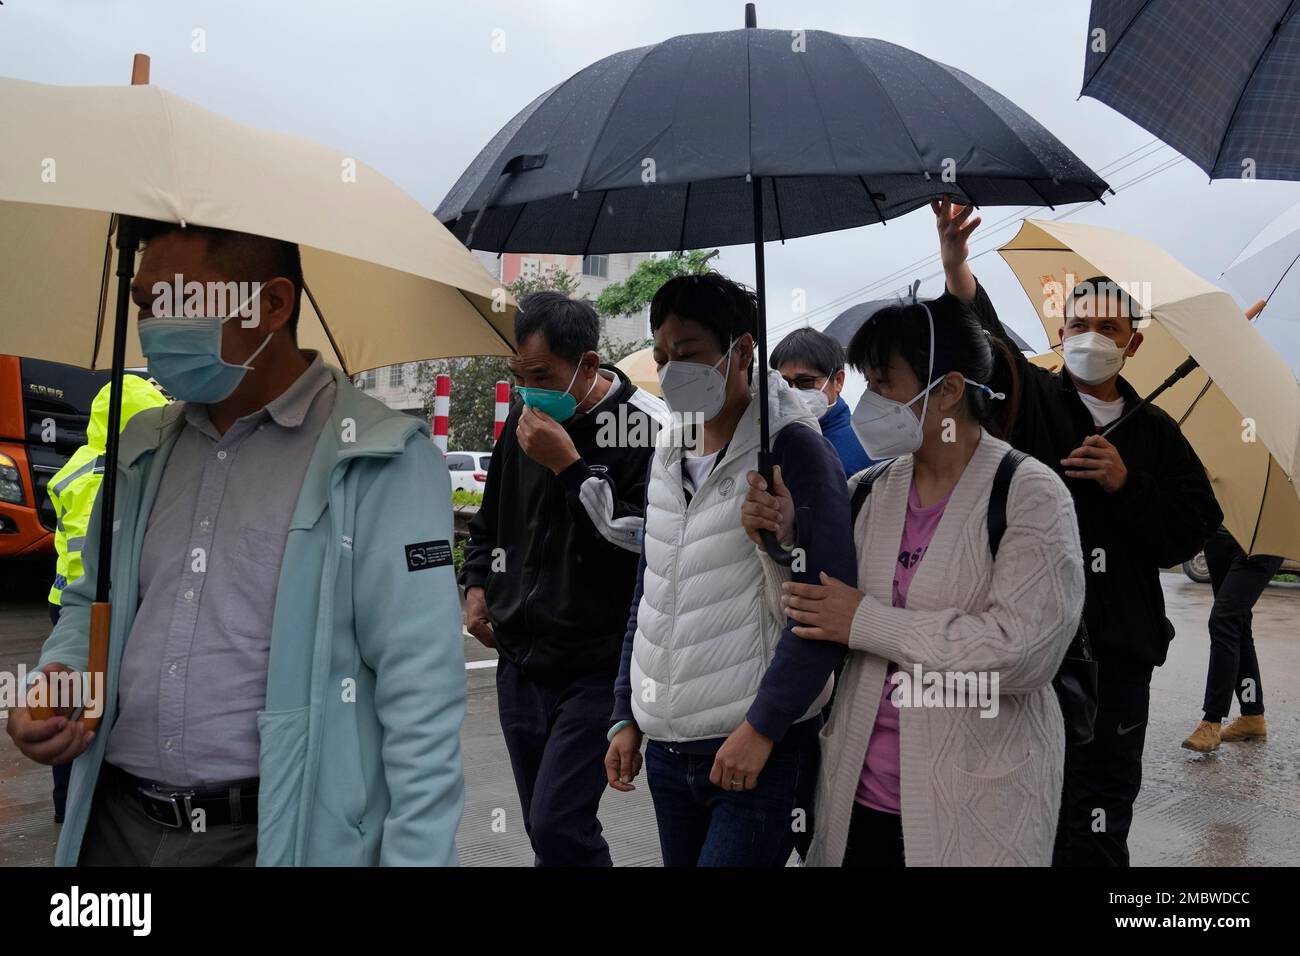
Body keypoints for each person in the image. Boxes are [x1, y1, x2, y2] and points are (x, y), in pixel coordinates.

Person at [6, 220, 465, 866]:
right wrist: (57, 682)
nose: (154, 328)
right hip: (111, 826)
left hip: (273, 838)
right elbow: (88, 604)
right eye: (144, 306)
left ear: (272, 304)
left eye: (179, 304)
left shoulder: (379, 459)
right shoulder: (140, 450)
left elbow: (420, 701)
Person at [744, 294, 1084, 866]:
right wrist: (780, 544)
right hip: (858, 800)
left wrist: (867, 621)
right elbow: (808, 615)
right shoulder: (869, 491)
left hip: (975, 807)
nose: (869, 402)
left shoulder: (1029, 493)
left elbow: (1023, 652)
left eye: (883, 384)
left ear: (948, 390)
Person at [933, 198, 1222, 866]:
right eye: (1077, 322)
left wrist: (1129, 483)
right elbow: (990, 347)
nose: (1088, 335)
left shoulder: (1157, 435)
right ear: (1061, 330)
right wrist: (958, 269)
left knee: (1097, 821)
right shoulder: (1034, 400)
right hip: (1029, 647)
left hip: (1118, 657)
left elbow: (1191, 529)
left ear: (1133, 342)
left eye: (1105, 326)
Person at [604, 272, 856, 867]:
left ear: (742, 351)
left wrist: (762, 729)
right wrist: (627, 710)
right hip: (668, 747)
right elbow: (653, 590)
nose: (670, 372)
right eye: (662, 356)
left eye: (688, 354)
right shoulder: (668, 450)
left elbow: (824, 611)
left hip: (753, 752)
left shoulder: (794, 451)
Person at [460, 291, 666, 867]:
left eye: (541, 374)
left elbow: (646, 541)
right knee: (541, 826)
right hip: (520, 660)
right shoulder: (522, 423)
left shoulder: (644, 430)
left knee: (557, 823)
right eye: (518, 374)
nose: (528, 388)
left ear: (588, 364)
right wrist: (478, 586)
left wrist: (570, 466)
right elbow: (491, 517)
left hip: (596, 669)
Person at [43, 375, 167, 824]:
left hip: (66, 603)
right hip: (117, 604)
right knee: (115, 704)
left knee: (68, 709)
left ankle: (65, 805)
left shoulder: (70, 471)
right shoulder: (140, 475)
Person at [1182, 526, 1283, 752]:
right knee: (1237, 624)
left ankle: (1211, 722)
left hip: (1262, 538)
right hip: (1219, 534)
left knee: (1223, 620)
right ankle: (1252, 715)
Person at [771, 327, 874, 476]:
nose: (792, 392)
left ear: (838, 381)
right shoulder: (773, 442)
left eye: (805, 381)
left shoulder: (867, 448)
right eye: (783, 383)